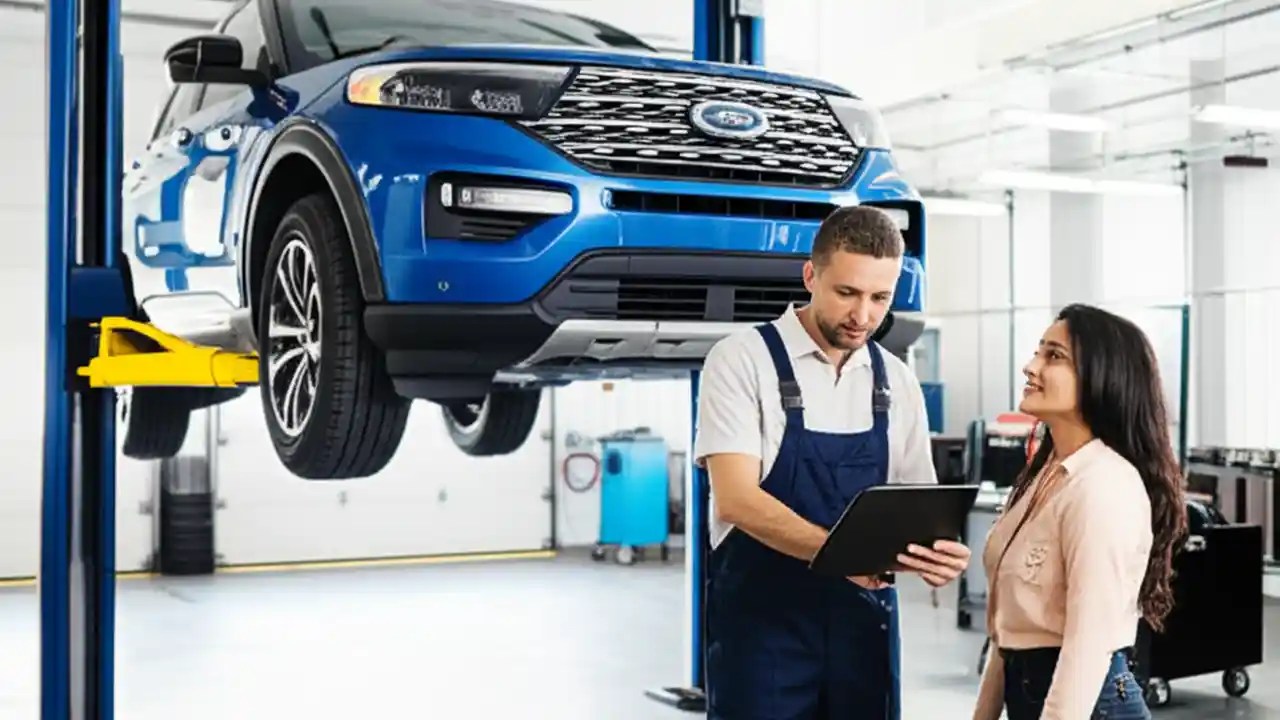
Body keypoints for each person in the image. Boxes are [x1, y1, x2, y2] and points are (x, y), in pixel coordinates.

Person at [693, 205, 972, 719]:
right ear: (811, 276)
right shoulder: (740, 360)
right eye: (847, 292)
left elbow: (914, 505)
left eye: (880, 298)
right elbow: (736, 499)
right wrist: (845, 557)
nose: (863, 316)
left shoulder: (897, 380)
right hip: (763, 637)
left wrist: (940, 552)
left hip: (863, 632)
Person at [972, 304, 1188, 720]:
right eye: (1038, 351)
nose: (1030, 367)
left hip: (1085, 702)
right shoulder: (1047, 474)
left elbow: (1088, 644)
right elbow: (1008, 626)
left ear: (1100, 377)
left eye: (1054, 356)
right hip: (1034, 689)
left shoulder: (1103, 486)